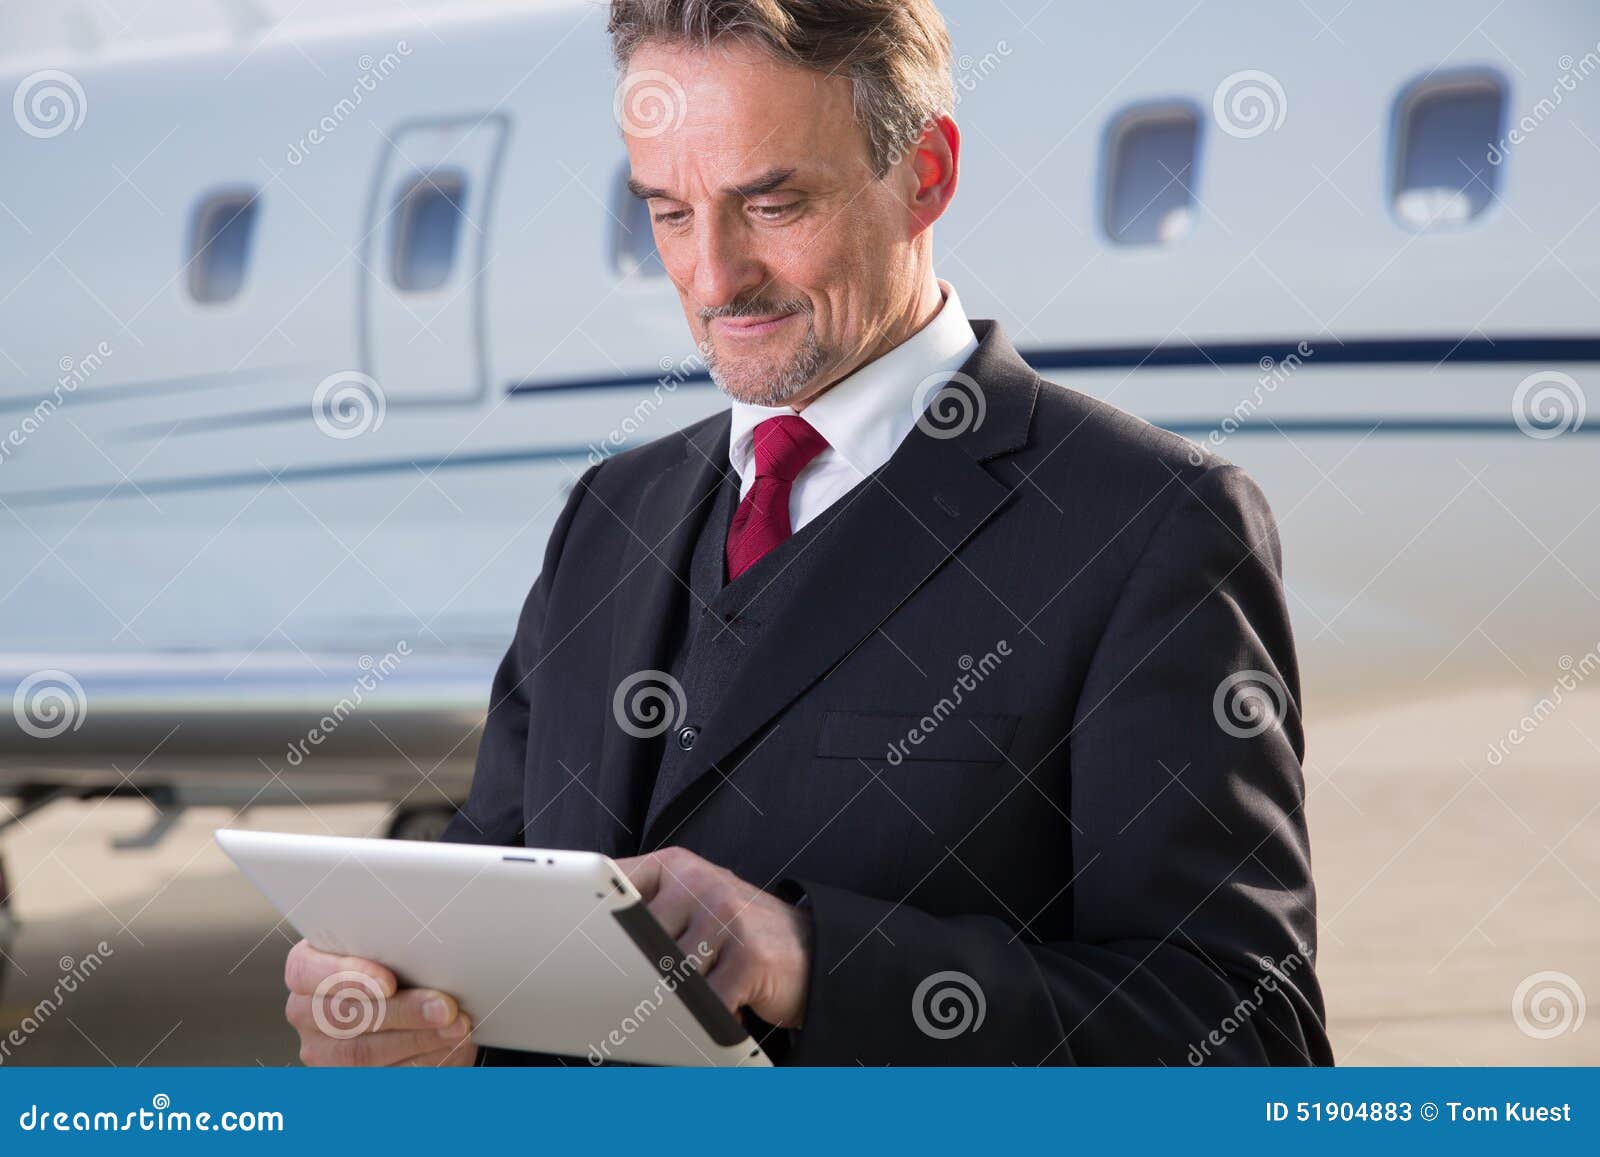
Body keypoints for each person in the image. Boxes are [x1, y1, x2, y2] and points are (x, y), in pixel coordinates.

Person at [286, 0, 1333, 1067]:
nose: (711, 278)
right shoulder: (609, 516)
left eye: (772, 204)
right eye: (668, 213)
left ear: (925, 173)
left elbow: (1249, 1041)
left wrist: (816, 960)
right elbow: (498, 912)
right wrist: (413, 1016)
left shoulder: (1147, 525)